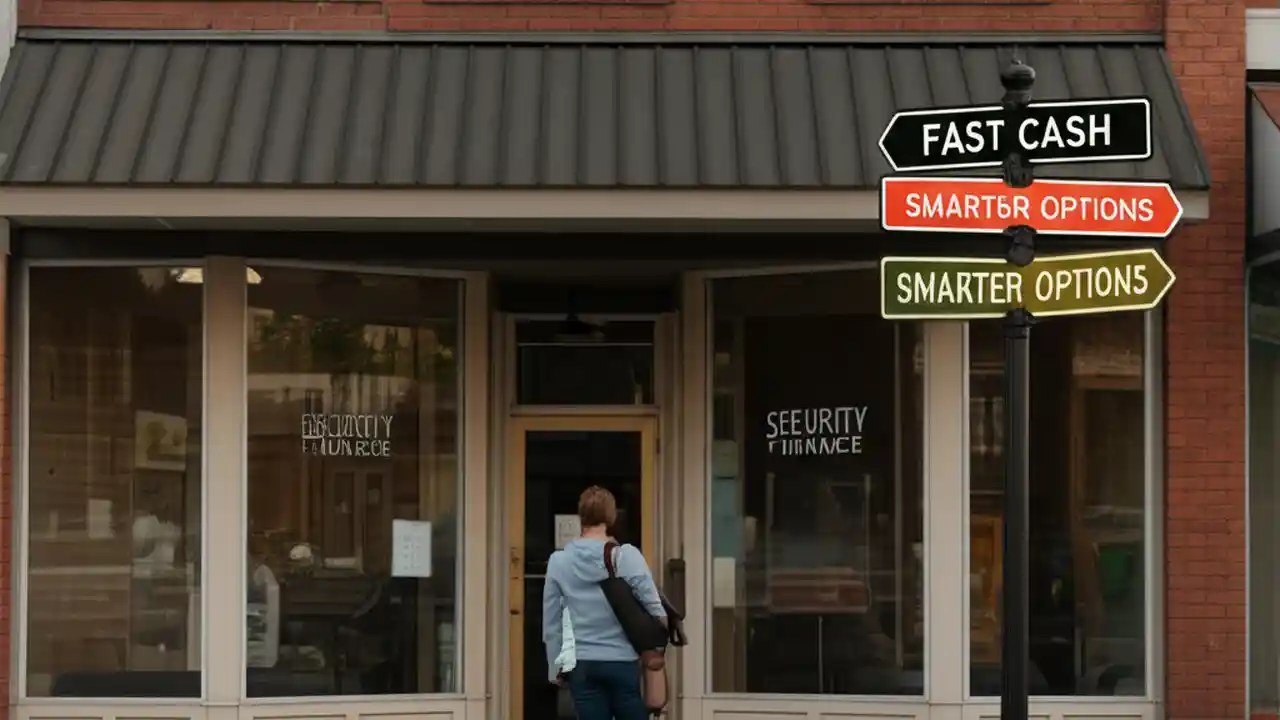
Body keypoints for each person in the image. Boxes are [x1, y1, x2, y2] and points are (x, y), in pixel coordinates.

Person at [542, 486, 665, 720]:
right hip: (623, 660)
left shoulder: (558, 561)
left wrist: (554, 667)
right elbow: (655, 608)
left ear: (581, 516)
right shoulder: (626, 556)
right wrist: (655, 647)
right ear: (612, 516)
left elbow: (552, 622)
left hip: (582, 663)